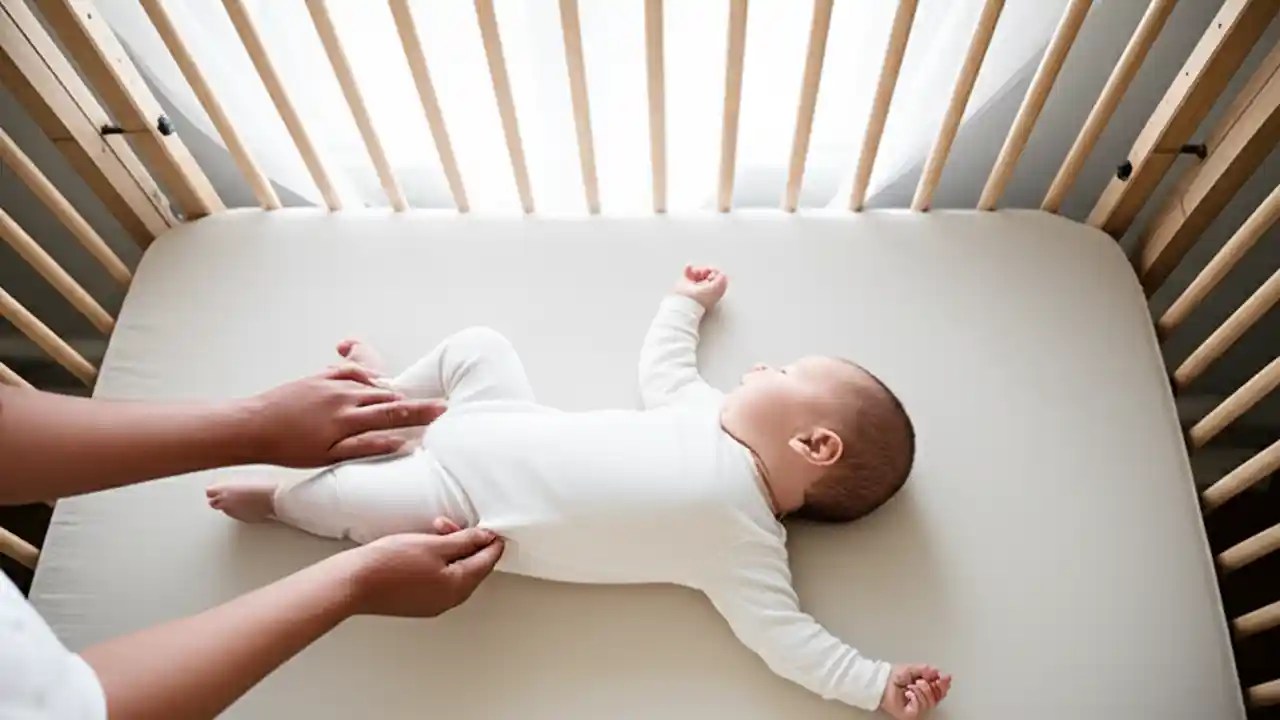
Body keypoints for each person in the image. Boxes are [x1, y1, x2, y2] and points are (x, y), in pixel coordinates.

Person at [209, 265, 953, 718]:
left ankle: (280, 504)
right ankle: (390, 401)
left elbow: (788, 642)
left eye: (783, 374)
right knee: (480, 345)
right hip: (493, 416)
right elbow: (663, 369)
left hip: (459, 500)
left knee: (351, 506)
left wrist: (875, 684)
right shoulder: (701, 410)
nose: (760, 367)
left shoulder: (743, 542)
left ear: (815, 447)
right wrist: (684, 306)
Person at [0, 365, 504, 720]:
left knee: (476, 354)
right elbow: (83, 708)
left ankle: (388, 402)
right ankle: (288, 494)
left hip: (499, 444)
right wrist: (358, 580)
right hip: (483, 465)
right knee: (365, 495)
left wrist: (257, 424)